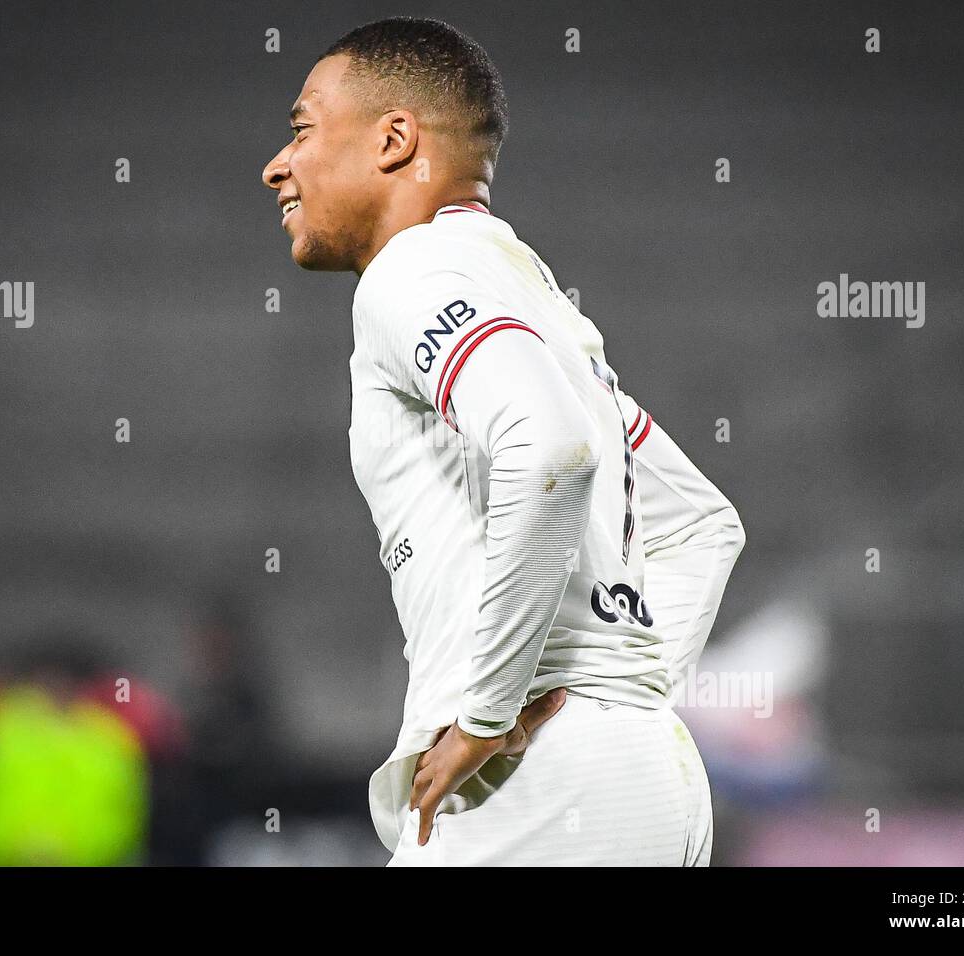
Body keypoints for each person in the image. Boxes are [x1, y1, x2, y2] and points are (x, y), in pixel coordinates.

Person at [261, 16, 746, 865]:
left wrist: (488, 712)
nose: (277, 163)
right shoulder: (543, 310)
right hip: (650, 778)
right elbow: (703, 525)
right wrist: (622, 700)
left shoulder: (410, 271)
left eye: (301, 129)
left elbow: (551, 445)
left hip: (531, 786)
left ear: (394, 140)